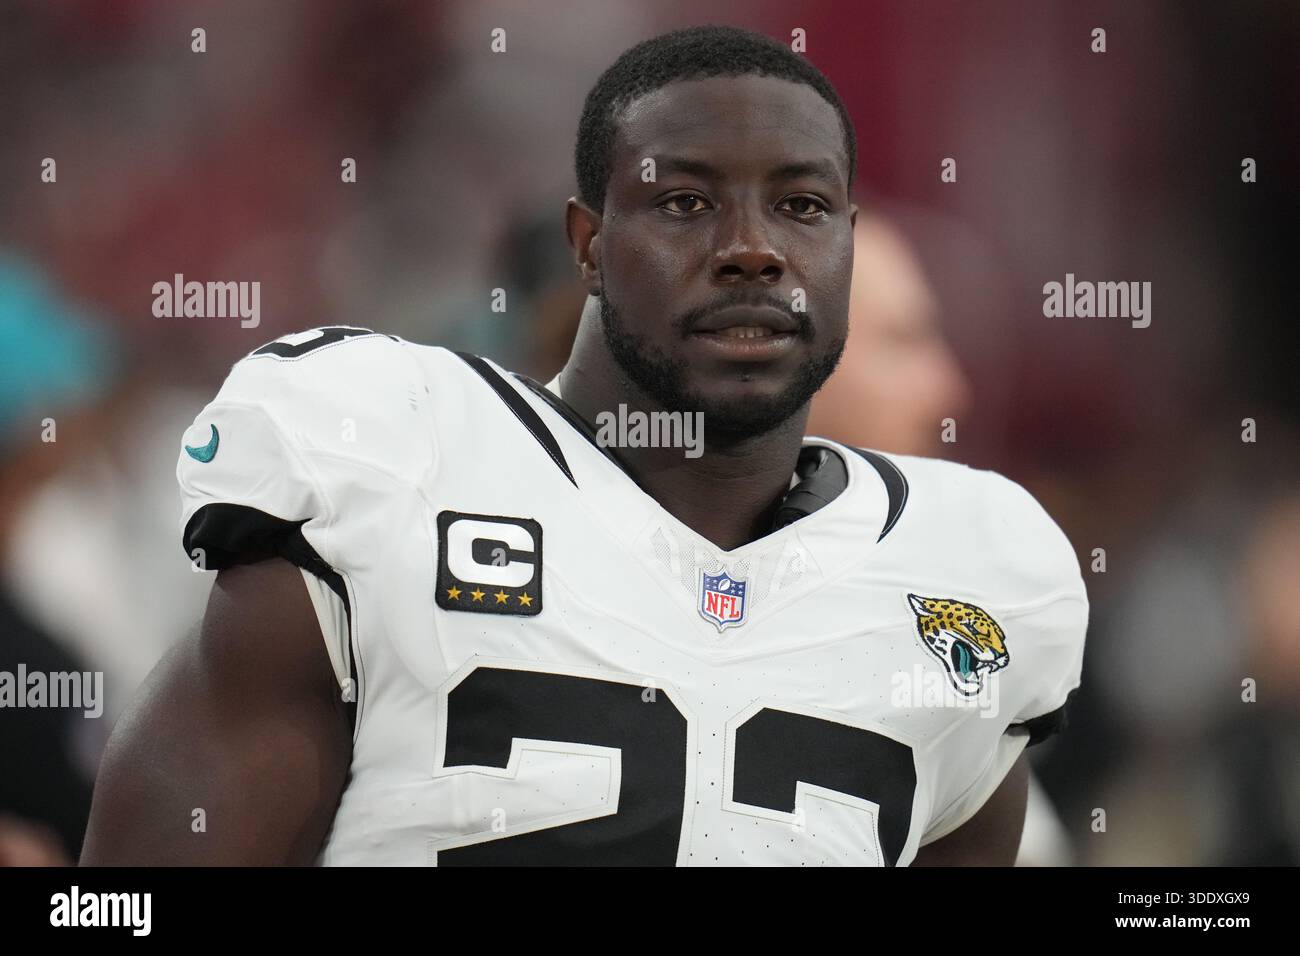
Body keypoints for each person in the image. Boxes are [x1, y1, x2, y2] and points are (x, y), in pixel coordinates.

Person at [82, 25, 1087, 866]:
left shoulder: (968, 570)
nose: (753, 246)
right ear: (588, 244)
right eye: (686, 201)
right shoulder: (398, 455)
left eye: (802, 205)